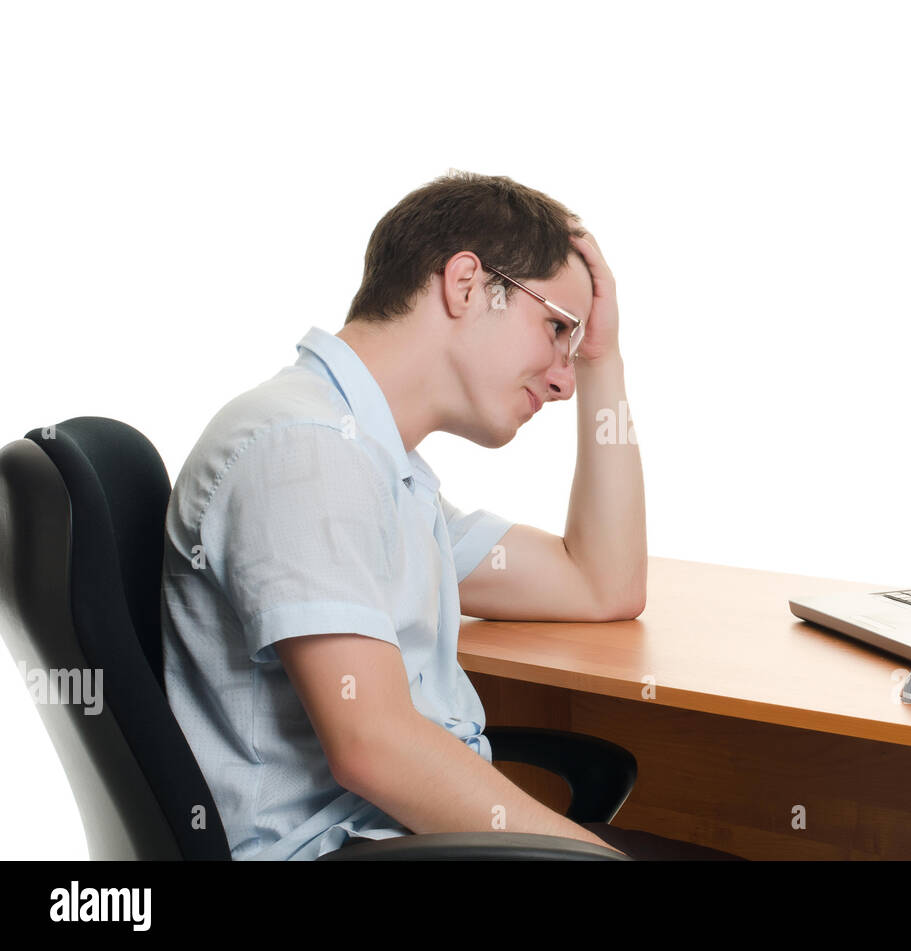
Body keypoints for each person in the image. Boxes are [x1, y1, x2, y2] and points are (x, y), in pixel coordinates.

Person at [160, 170, 742, 861]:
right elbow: (372, 747)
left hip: (405, 837)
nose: (562, 378)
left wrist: (602, 356)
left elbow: (602, 584)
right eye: (556, 328)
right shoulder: (305, 452)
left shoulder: (378, 466)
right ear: (466, 284)